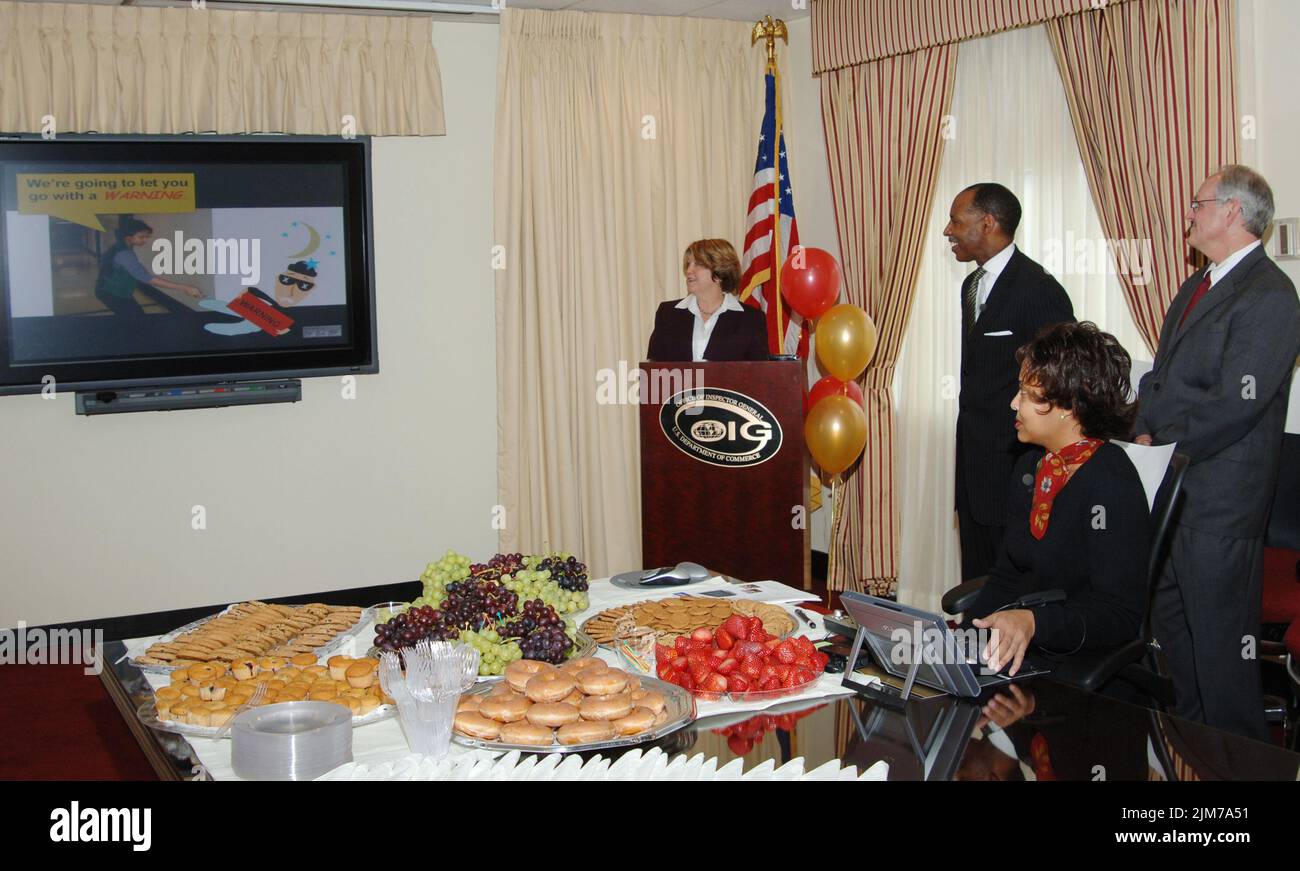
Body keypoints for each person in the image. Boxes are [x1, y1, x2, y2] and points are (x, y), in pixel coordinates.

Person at [1133, 164, 1300, 740]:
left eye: (1198, 203)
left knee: (1223, 663)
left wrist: (1165, 440)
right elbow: (1160, 377)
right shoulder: (1197, 284)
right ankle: (1190, 766)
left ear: (1233, 211)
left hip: (1220, 502)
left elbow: (1236, 402)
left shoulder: (1272, 294)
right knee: (1177, 654)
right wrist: (1142, 431)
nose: (1190, 213)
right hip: (1174, 490)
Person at [964, 321, 1150, 678]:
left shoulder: (1111, 483)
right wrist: (961, 645)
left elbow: (1119, 616)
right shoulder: (1030, 467)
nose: (1013, 403)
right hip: (1021, 656)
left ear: (1068, 406)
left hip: (1076, 670)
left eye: (1028, 395)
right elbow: (1007, 576)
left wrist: (1034, 623)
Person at [945, 184, 1075, 581]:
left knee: (1009, 586)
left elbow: (1061, 382)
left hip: (1016, 470)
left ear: (988, 223)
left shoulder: (1039, 290)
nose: (947, 231)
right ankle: (974, 645)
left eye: (955, 220)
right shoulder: (972, 285)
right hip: (973, 463)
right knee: (976, 581)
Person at [646, 239, 768, 361]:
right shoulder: (668, 314)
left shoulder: (751, 319)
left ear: (720, 273)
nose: (688, 271)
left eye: (697, 265)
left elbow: (759, 375)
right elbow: (653, 370)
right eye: (688, 264)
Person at [93, 217, 202, 316]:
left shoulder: (123, 246)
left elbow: (135, 270)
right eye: (141, 237)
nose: (145, 240)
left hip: (115, 291)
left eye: (146, 237)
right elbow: (146, 278)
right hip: (111, 293)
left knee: (133, 317)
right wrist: (185, 288)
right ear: (128, 237)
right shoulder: (124, 254)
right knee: (137, 319)